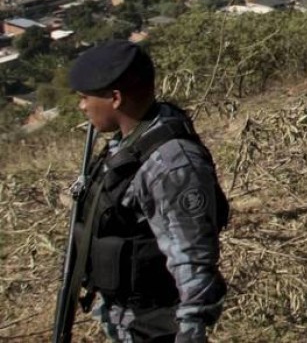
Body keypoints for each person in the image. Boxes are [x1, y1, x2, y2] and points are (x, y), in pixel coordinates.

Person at [68, 39, 227, 343]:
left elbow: (192, 257)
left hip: (157, 325)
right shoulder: (127, 144)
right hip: (129, 319)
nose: (82, 106)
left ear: (115, 98)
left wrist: (190, 331)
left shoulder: (171, 164)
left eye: (86, 98)